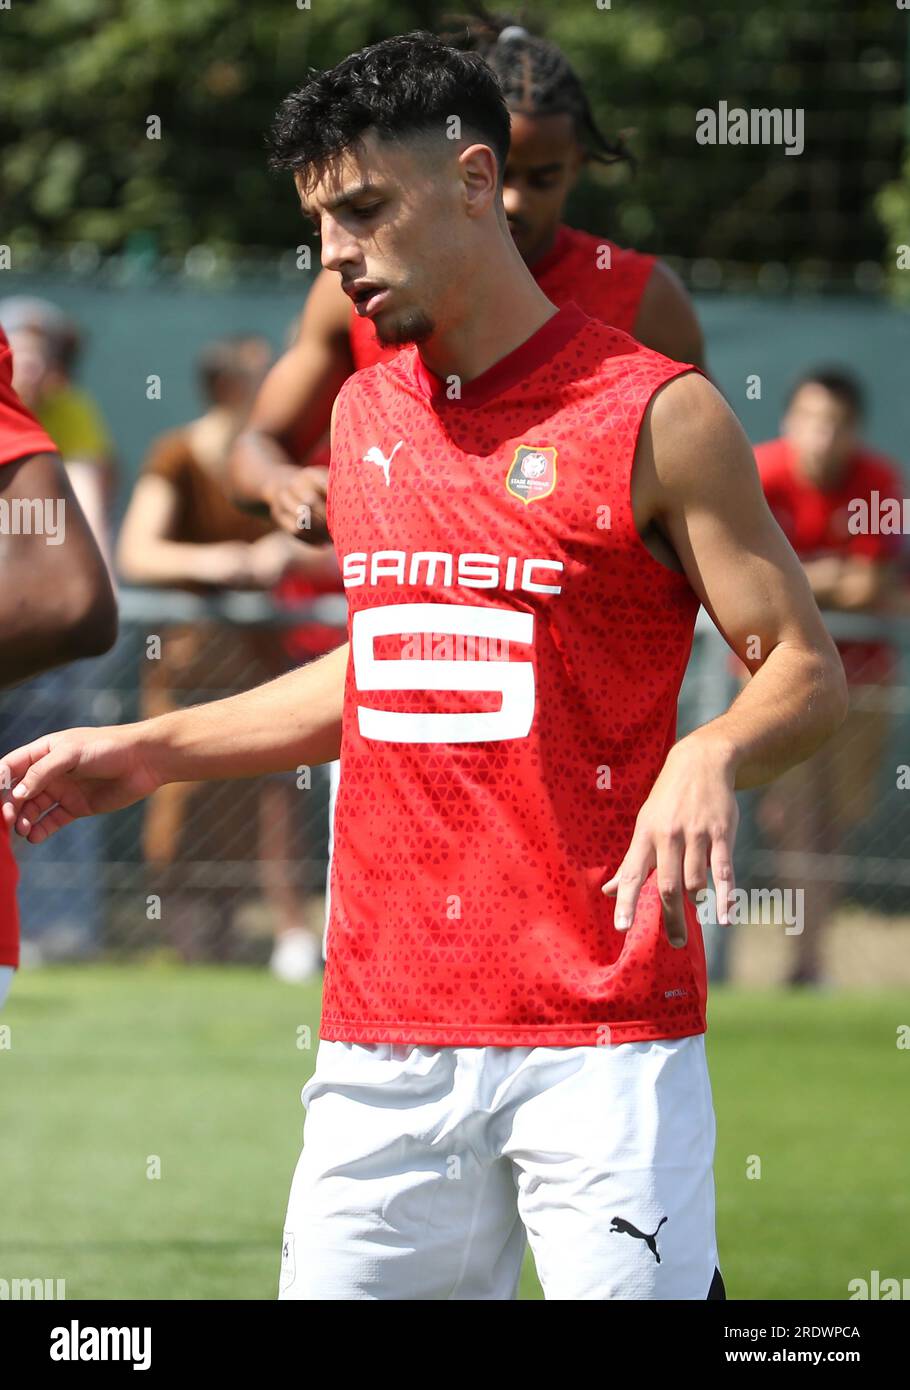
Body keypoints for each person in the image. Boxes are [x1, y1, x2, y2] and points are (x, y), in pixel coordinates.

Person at [1, 34, 846, 1299]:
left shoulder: (656, 412)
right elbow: (388, 670)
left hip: (597, 1030)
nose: (336, 253)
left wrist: (710, 748)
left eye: (360, 210)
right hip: (379, 1033)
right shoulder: (362, 415)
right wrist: (148, 748)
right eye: (319, 225)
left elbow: (806, 668)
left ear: (469, 179)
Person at [228, 11, 707, 957]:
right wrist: (282, 485)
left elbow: (701, 517)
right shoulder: (358, 288)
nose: (522, 201)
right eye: (509, 171)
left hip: (572, 736)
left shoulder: (641, 305)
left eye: (546, 175)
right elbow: (253, 443)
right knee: (399, 957)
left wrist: (705, 740)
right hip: (398, 685)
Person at [117, 335, 337, 978]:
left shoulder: (282, 464)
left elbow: (334, 542)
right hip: (191, 660)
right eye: (259, 374)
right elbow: (138, 552)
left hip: (261, 656)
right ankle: (187, 946)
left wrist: (282, 554)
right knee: (180, 793)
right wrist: (218, 564)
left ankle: (263, 936)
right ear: (230, 386)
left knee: (265, 798)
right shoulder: (179, 454)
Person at [753, 368, 903, 986]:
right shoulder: (755, 473)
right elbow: (743, 581)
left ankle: (808, 965)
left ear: (855, 430)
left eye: (836, 423)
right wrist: (829, 580)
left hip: (859, 683)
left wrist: (791, 578)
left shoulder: (880, 484)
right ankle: (793, 964)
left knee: (828, 829)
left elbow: (876, 587)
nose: (823, 435)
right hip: (769, 680)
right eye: (811, 419)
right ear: (789, 422)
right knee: (793, 822)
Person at [0, 325, 117, 1007]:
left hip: (43, 673)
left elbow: (71, 597)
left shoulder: (68, 420)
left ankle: (69, 923)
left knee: (48, 789)